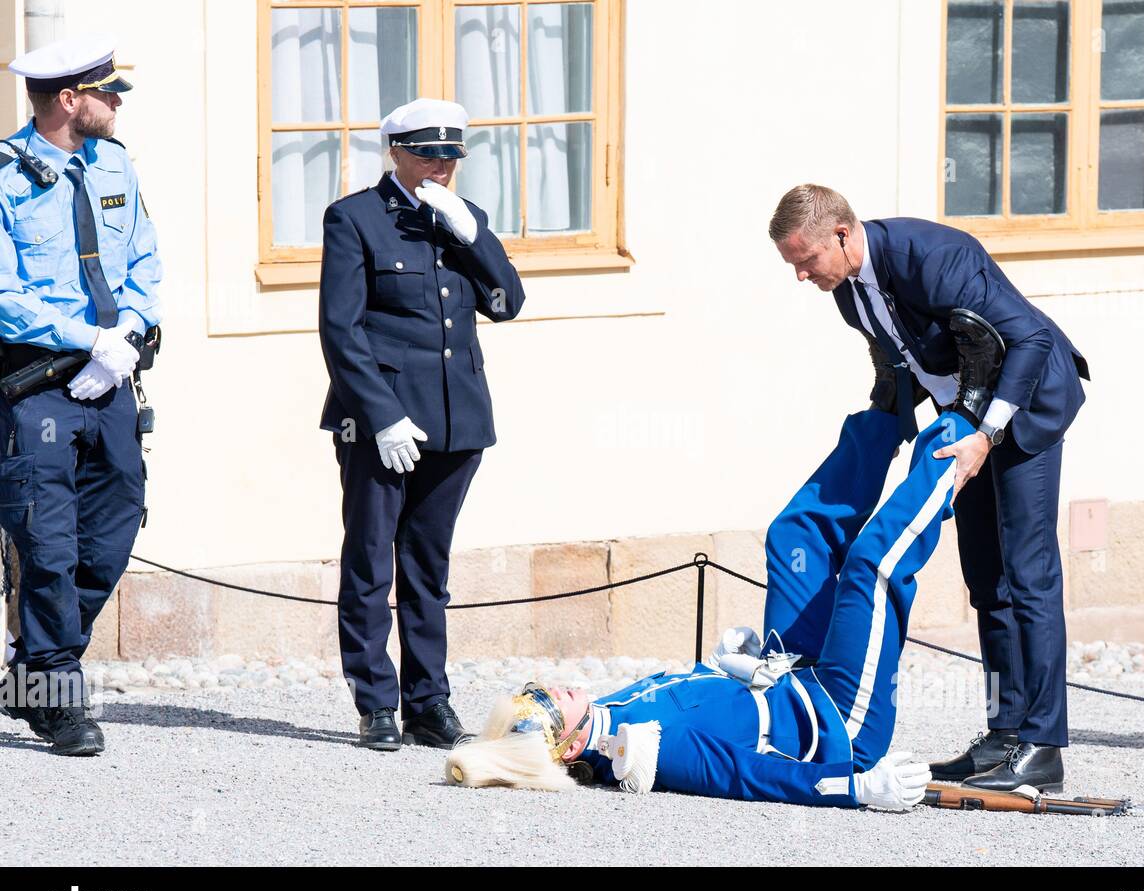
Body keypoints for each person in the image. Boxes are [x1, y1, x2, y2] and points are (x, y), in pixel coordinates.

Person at [442, 321, 1007, 808]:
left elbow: (708, 706)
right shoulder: (638, 751)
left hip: (787, 674)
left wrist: (726, 668)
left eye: (533, 691)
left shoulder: (607, 715)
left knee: (794, 535)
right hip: (839, 723)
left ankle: (888, 411)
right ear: (564, 748)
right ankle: (968, 412)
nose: (551, 691)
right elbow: (750, 776)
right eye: (545, 707)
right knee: (871, 566)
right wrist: (857, 787)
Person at [768, 185, 1090, 793]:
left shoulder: (932, 256)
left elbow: (1029, 339)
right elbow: (902, 367)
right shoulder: (847, 294)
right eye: (793, 265)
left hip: (1027, 407)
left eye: (805, 259)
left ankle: (1043, 748)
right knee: (987, 581)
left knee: (1028, 576)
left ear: (841, 234)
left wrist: (986, 435)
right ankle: (1005, 733)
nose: (801, 275)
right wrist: (878, 433)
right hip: (964, 420)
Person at [318, 98, 524, 751]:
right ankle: (376, 702)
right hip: (382, 423)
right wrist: (381, 417)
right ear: (396, 153)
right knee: (371, 558)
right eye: (427, 155)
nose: (440, 167)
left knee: (429, 565)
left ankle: (428, 701)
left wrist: (473, 236)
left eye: (450, 157)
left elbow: (508, 303)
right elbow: (340, 329)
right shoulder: (353, 219)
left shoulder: (462, 221)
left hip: (456, 421)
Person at [0, 35, 160, 756]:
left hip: (113, 379)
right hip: (36, 391)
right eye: (108, 91)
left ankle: (29, 670)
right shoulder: (4, 179)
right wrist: (81, 339)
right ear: (69, 100)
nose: (118, 102)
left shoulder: (115, 164)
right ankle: (56, 699)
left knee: (113, 536)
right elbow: (3, 295)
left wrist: (125, 329)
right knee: (49, 548)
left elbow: (145, 260)